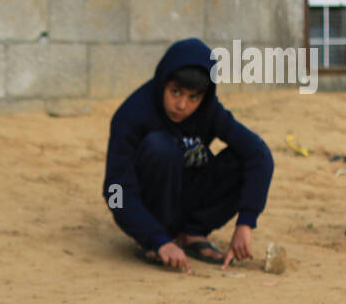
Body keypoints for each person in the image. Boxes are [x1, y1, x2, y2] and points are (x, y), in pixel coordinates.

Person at [103, 38, 274, 272]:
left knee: (241, 158)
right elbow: (114, 191)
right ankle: (159, 240)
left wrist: (246, 221)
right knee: (160, 147)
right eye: (175, 92)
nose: (182, 105)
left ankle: (191, 233)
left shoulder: (209, 110)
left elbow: (259, 154)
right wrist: (155, 237)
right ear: (162, 82)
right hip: (151, 214)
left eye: (193, 97)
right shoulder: (131, 115)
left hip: (188, 199)